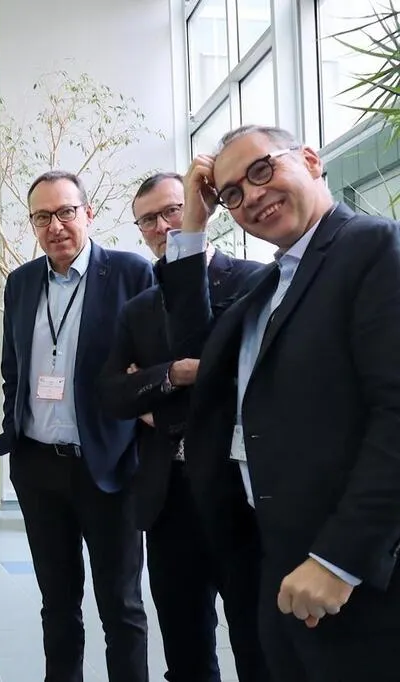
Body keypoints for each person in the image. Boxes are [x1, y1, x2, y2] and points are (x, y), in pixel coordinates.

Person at [161, 124, 400, 681]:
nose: (252, 196)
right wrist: (192, 226)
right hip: (271, 557)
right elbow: (196, 349)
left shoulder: (372, 248)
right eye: (232, 194)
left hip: (348, 575)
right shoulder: (267, 286)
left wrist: (340, 560)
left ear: (312, 160)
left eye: (262, 170)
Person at [97, 172, 268, 682]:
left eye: (173, 210)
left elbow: (245, 383)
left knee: (258, 646)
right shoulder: (139, 308)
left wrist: (156, 395)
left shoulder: (254, 282)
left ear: (201, 210)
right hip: (170, 501)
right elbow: (112, 395)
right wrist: (176, 372)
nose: (163, 225)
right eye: (148, 219)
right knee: (186, 653)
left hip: (243, 500)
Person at [0, 170, 154, 682]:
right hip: (39, 468)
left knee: (121, 606)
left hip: (107, 467)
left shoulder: (130, 273)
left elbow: (151, 366)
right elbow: (13, 366)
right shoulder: (21, 282)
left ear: (88, 214)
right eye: (42, 216)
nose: (55, 225)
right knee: (57, 603)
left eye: (65, 212)